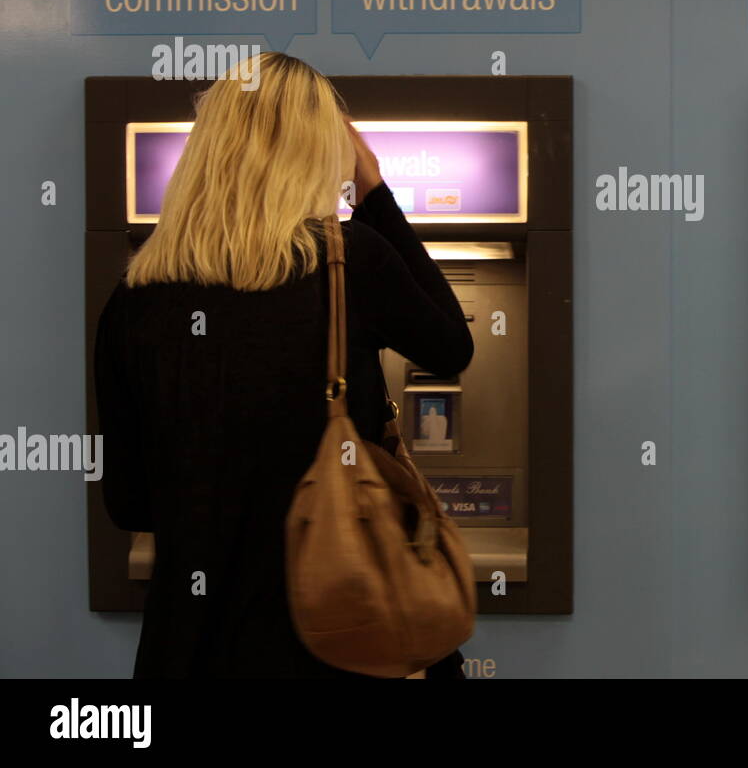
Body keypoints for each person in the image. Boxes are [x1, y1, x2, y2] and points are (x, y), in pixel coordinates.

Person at [93, 53, 474, 678]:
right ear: (321, 151)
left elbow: (129, 505)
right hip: (341, 635)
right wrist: (373, 195)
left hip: (191, 648)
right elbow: (451, 347)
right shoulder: (348, 262)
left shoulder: (134, 298)